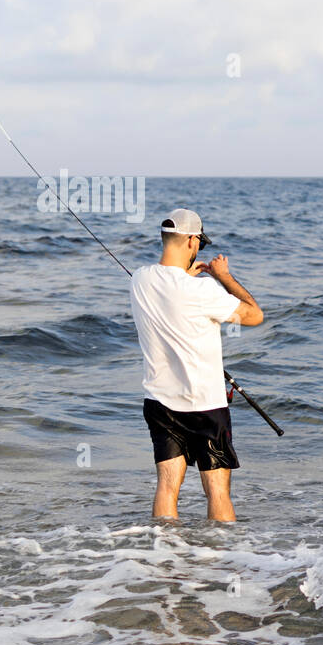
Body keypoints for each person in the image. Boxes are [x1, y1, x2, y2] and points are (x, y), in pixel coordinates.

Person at [128, 209, 264, 522]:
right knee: (217, 491)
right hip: (205, 405)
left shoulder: (140, 278)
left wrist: (184, 276)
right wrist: (223, 277)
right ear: (192, 241)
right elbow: (255, 315)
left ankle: (164, 557)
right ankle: (222, 561)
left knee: (166, 487)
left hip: (160, 403)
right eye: (199, 244)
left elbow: (169, 287)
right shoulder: (204, 291)